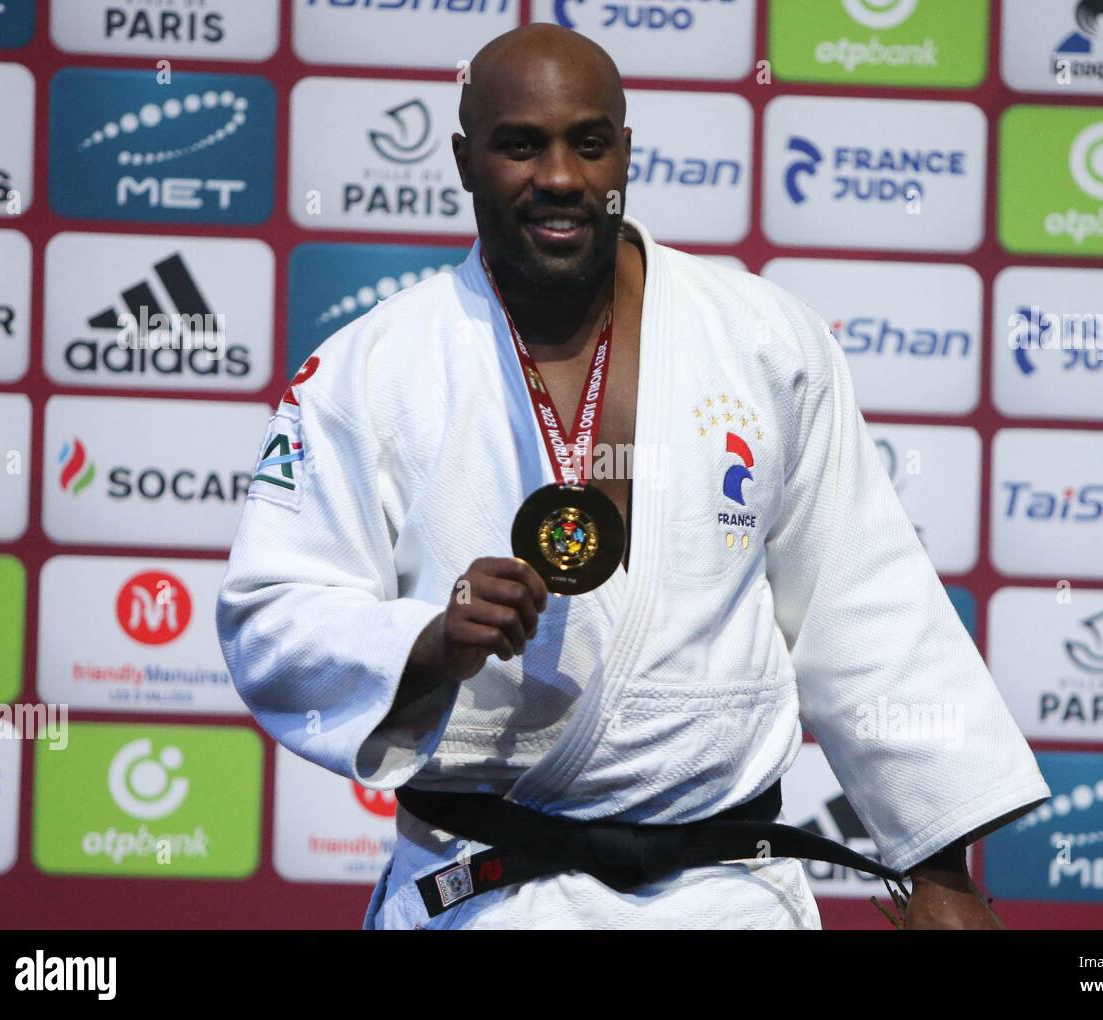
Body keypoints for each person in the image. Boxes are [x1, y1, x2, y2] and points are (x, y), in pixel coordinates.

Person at [217, 23, 1049, 930]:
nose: (562, 177)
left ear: (626, 150)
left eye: (589, 141)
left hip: (725, 895)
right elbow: (274, 611)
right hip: (491, 895)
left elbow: (867, 604)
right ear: (462, 160)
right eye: (520, 145)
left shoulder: (763, 341)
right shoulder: (367, 370)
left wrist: (938, 875)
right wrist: (427, 642)